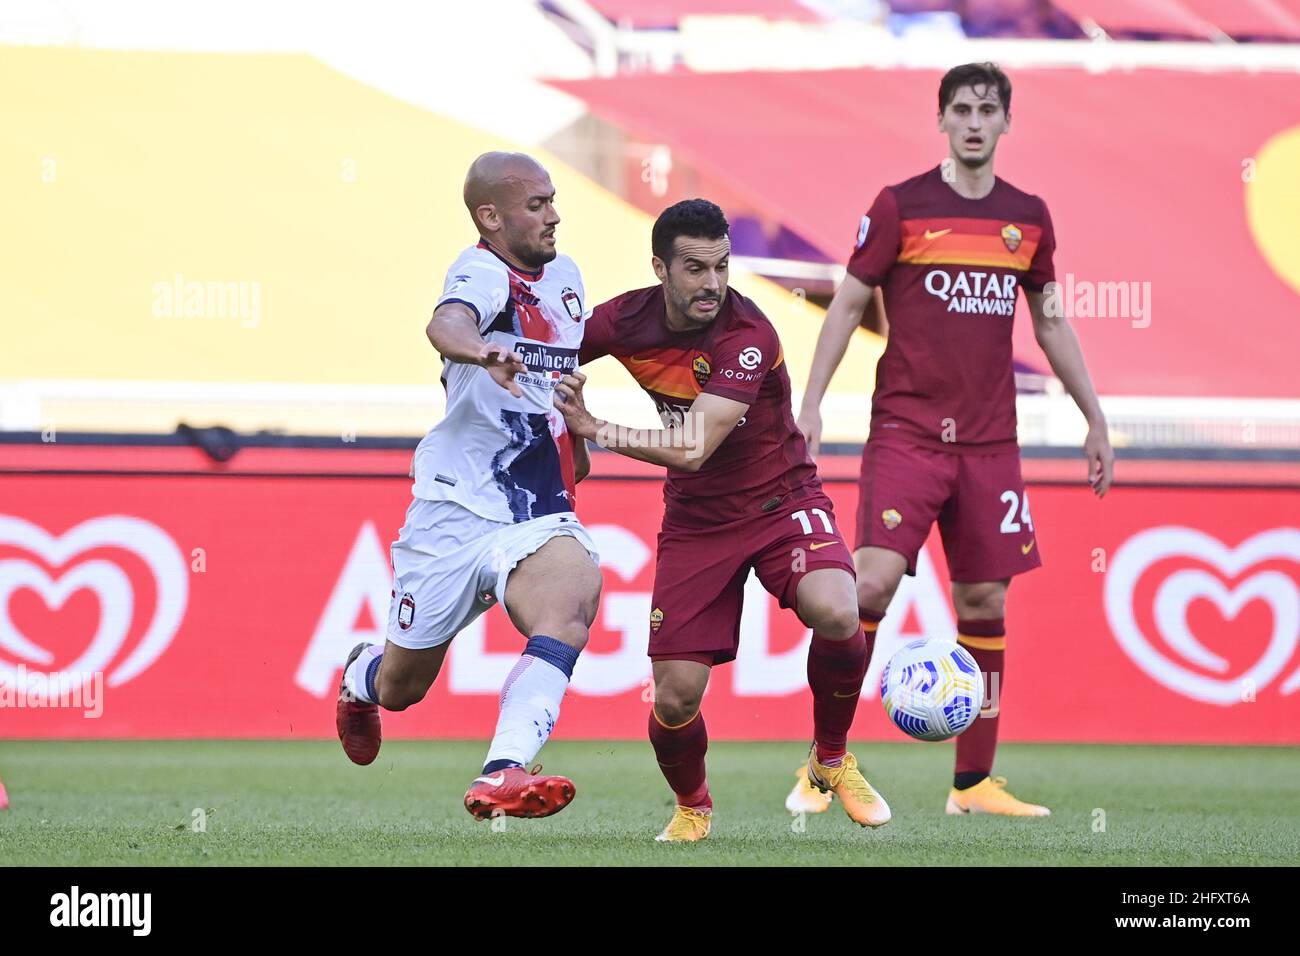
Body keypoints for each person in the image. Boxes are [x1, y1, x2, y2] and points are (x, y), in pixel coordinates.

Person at [791, 63, 1114, 818]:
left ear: (1007, 123)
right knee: (866, 585)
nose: (974, 121)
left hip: (992, 443)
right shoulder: (901, 205)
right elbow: (845, 306)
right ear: (941, 119)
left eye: (988, 109)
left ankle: (972, 784)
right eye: (962, 109)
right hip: (907, 431)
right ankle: (824, 764)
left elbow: (1052, 320)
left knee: (983, 597)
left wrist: (1093, 416)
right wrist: (811, 404)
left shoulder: (1028, 218)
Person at [554, 198, 889, 842]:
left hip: (781, 501)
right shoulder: (624, 319)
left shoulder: (748, 335)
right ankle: (694, 805)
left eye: (722, 266)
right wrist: (506, 371)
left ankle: (831, 755)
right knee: (676, 696)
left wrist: (594, 428)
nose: (712, 284)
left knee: (840, 608)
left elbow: (692, 447)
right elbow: (552, 353)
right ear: (660, 268)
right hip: (697, 522)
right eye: (695, 268)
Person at [335, 151, 603, 822]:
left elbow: (554, 377)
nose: (553, 214)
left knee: (571, 600)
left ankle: (503, 771)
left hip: (537, 505)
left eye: (552, 199)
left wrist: (579, 436)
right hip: (454, 507)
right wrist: (483, 350)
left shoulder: (566, 276)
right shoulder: (482, 271)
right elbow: (445, 324)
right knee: (402, 688)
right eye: (536, 204)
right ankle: (358, 676)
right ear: (491, 217)